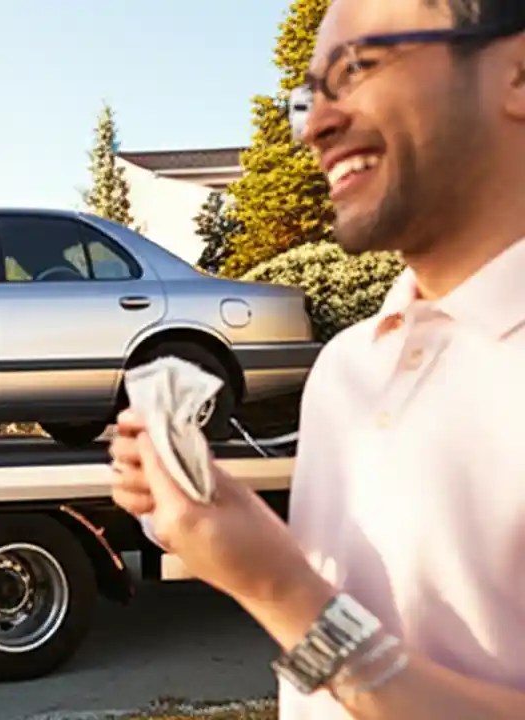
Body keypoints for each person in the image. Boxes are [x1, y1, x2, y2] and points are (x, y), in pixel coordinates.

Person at [110, 0, 525, 718]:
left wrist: (278, 589)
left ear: (516, 74)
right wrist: (232, 535)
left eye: (358, 68)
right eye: (310, 96)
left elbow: (311, 614)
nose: (315, 127)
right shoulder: (344, 372)